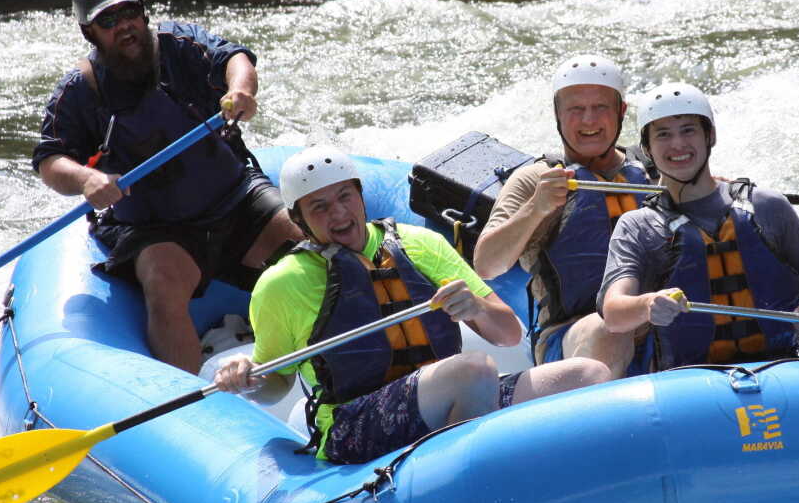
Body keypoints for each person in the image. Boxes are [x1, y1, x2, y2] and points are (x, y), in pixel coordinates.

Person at [214, 146, 610, 464]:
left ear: (360, 196)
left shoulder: (421, 245)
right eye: (319, 207)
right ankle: (464, 489)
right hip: (353, 425)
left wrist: (472, 307)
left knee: (587, 374)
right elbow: (274, 385)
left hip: (448, 396)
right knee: (473, 370)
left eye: (344, 197)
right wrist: (248, 377)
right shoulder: (283, 283)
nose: (338, 213)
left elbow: (508, 334)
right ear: (299, 220)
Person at [34, 0, 302, 373]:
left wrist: (240, 89)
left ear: (143, 13)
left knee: (306, 246)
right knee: (161, 284)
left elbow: (236, 58)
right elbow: (50, 159)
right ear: (91, 34)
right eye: (108, 20)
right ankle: (194, 402)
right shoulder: (79, 90)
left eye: (129, 13)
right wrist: (87, 179)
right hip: (157, 227)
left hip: (236, 197)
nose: (124, 26)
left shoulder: (179, 45)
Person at [599, 83, 799, 368]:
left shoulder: (766, 206)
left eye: (688, 130)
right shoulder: (638, 226)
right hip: (686, 380)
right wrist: (648, 304)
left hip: (780, 368)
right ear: (647, 149)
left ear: (710, 136)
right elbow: (613, 313)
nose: (677, 145)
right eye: (663, 134)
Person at [471, 56, 652, 375]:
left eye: (600, 107)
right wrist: (535, 209)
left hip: (655, 321)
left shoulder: (653, 175)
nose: (588, 120)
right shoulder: (535, 179)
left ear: (621, 112)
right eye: (575, 109)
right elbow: (487, 264)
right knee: (611, 328)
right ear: (557, 114)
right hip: (573, 335)